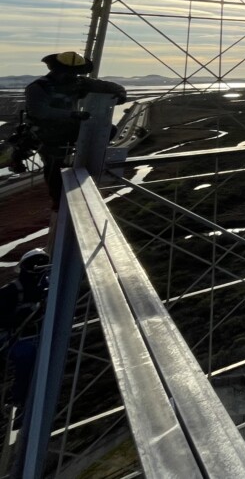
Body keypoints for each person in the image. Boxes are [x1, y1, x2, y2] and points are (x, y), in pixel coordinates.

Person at [24, 52, 126, 212]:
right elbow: (39, 111)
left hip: (70, 127)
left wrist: (120, 93)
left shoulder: (78, 82)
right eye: (67, 72)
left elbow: (108, 86)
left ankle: (86, 165)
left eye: (75, 73)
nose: (71, 76)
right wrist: (71, 114)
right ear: (56, 70)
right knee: (54, 163)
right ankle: (58, 200)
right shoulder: (38, 87)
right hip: (48, 132)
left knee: (107, 130)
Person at [1, 248, 51, 421]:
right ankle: (18, 400)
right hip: (16, 338)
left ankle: (23, 399)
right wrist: (15, 319)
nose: (39, 268)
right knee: (27, 356)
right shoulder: (11, 291)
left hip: (37, 335)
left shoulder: (46, 286)